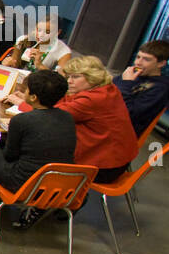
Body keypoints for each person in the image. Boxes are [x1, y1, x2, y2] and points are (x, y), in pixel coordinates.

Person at [0, 68, 76, 195]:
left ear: (33, 97)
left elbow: (10, 156)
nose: (24, 92)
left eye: (26, 90)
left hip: (23, 184)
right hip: (56, 186)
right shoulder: (68, 117)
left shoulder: (21, 120)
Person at [57, 56, 138, 184]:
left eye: (75, 77)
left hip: (102, 168)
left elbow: (52, 115)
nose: (69, 81)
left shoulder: (91, 100)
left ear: (92, 76)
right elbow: (68, 101)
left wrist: (24, 103)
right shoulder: (108, 89)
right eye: (68, 77)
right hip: (117, 160)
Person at [115, 39, 169, 135]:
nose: (138, 62)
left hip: (121, 132)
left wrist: (126, 83)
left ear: (161, 64)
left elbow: (128, 115)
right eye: (138, 57)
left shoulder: (161, 88)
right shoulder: (134, 74)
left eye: (146, 59)